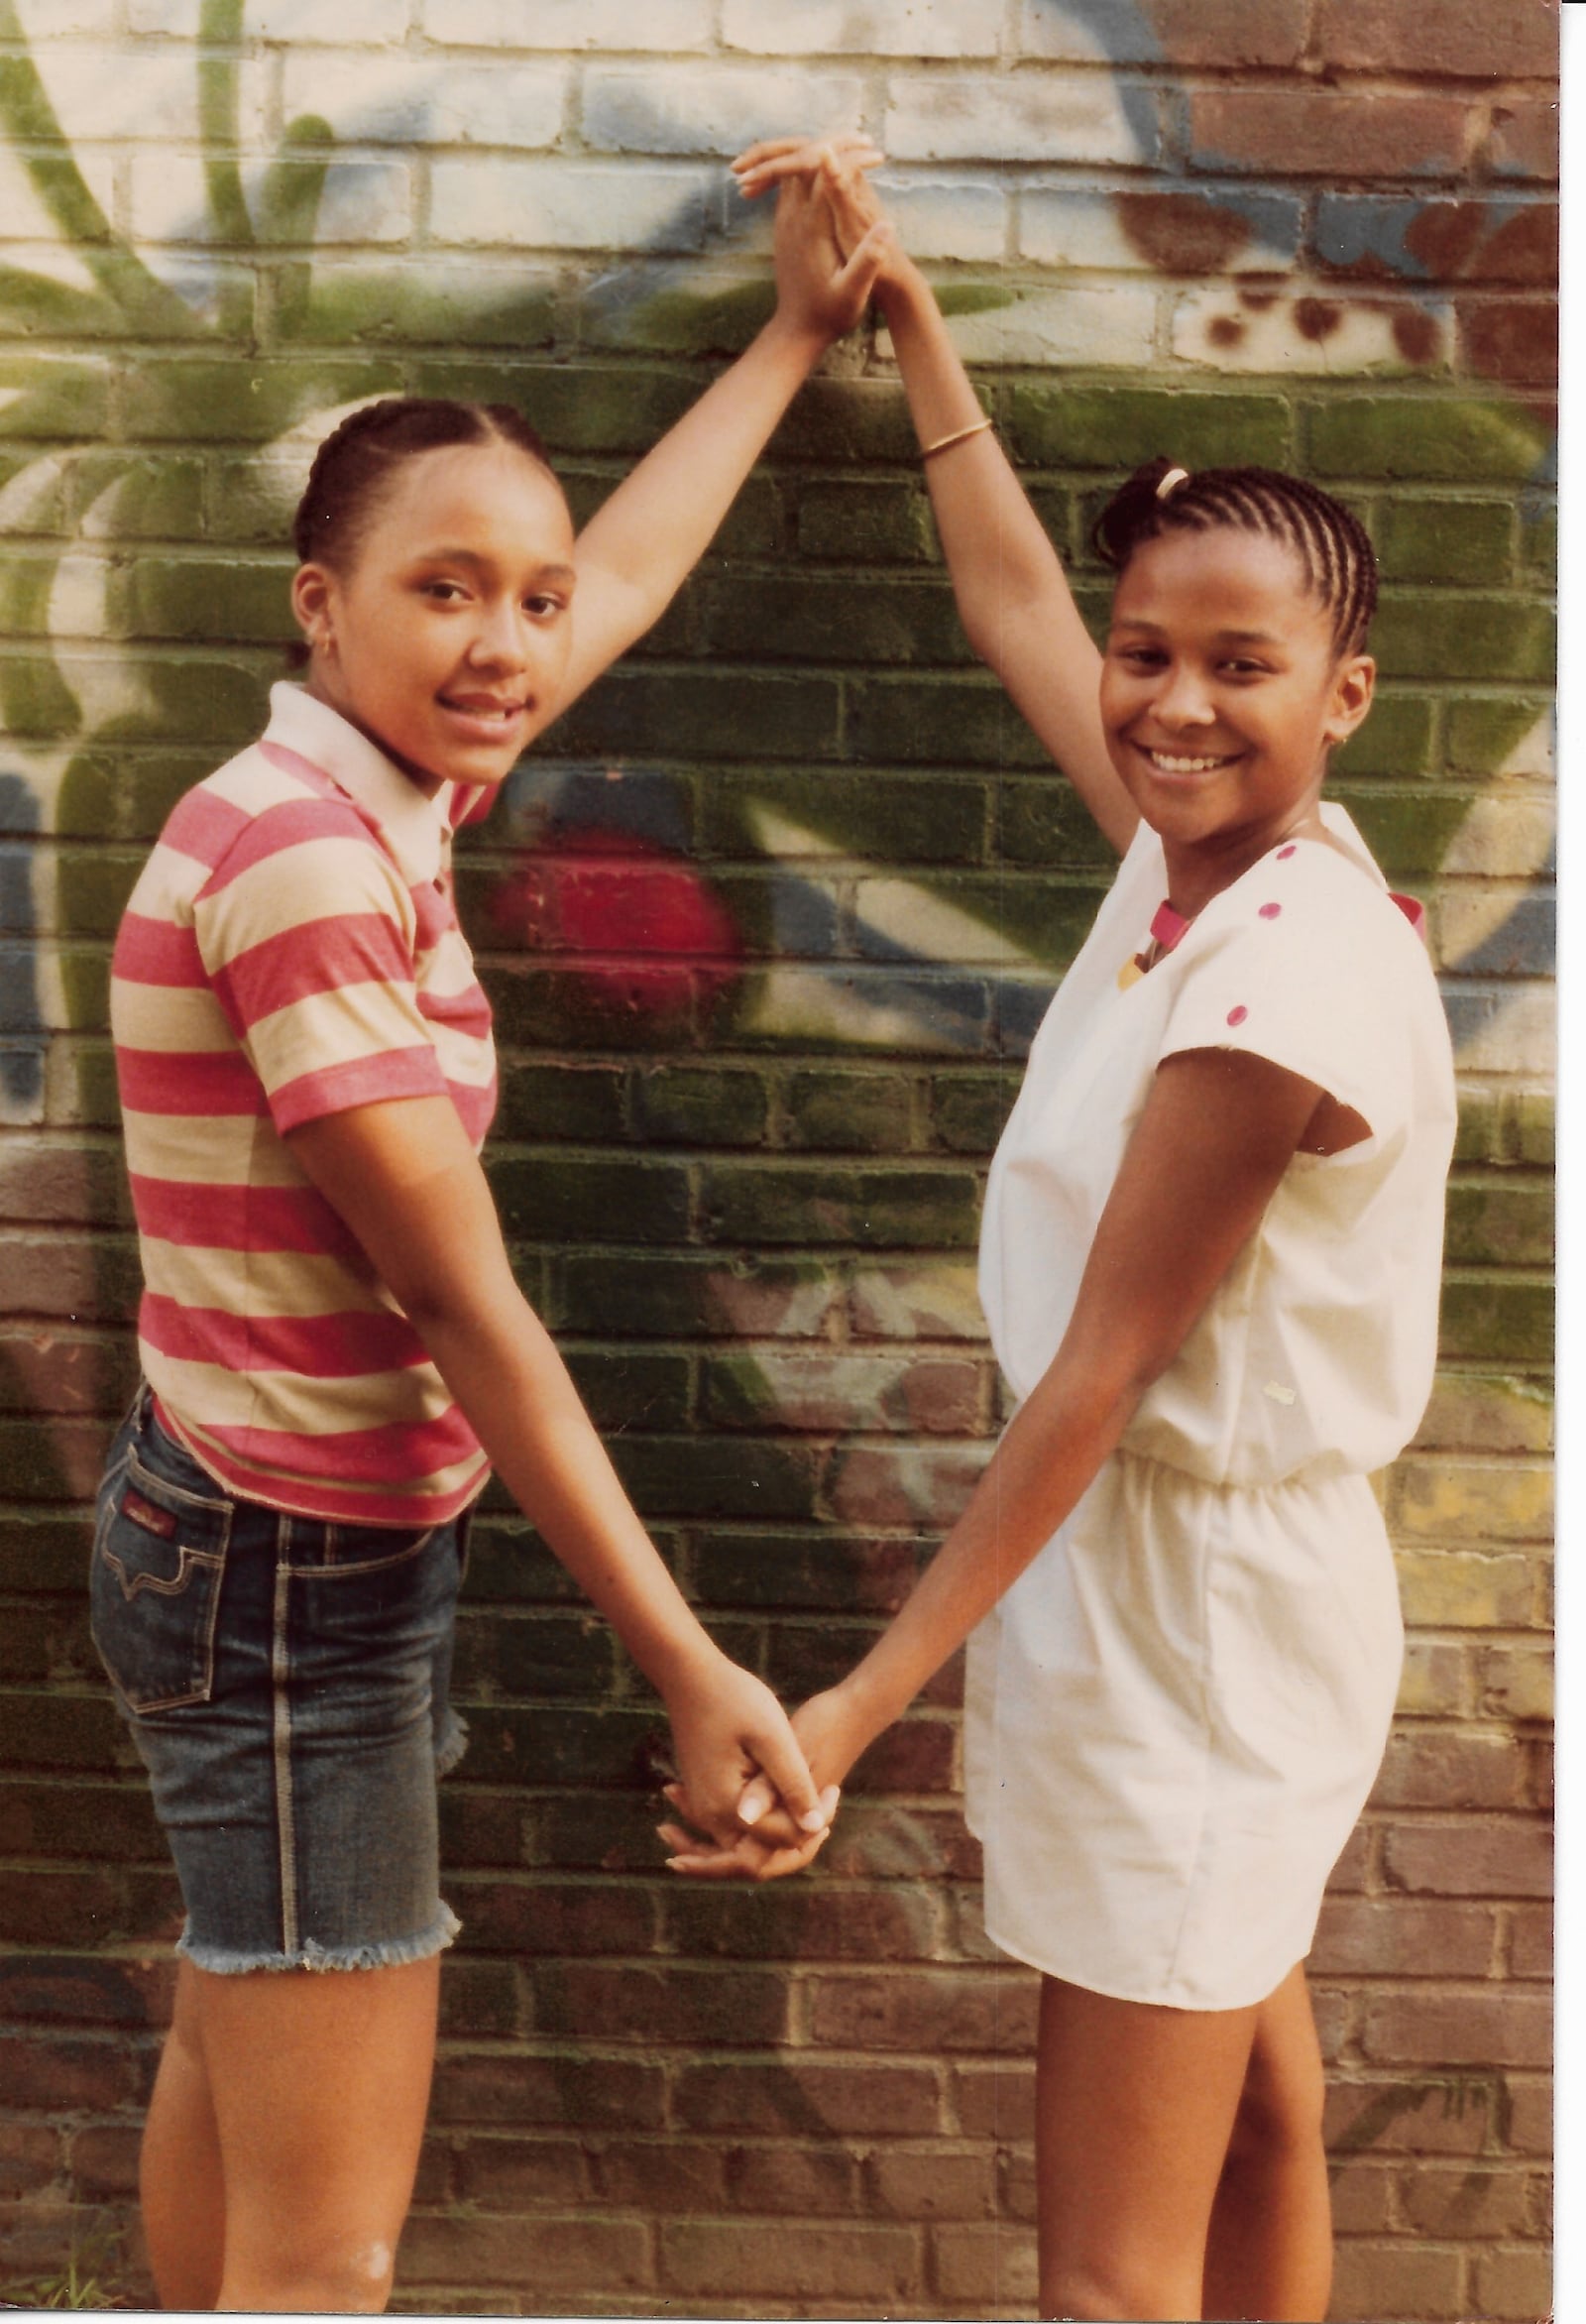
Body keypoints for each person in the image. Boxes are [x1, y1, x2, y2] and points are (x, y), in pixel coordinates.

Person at [660, 145, 1458, 2324]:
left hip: (1185, 1625)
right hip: (1216, 1604)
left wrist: (847, 1708)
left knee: (1107, 2271)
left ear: (1343, 693)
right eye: (1151, 656)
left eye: (1240, 667)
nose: (1169, 702)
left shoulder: (1268, 982)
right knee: (1261, 2110)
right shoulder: (1208, 874)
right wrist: (906, 330)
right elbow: (1022, 605)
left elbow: (1100, 1373)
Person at [91, 152, 890, 2316]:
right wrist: (690, 1659)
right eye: (446, 591)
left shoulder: (364, 785)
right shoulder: (311, 863)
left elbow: (614, 571)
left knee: (241, 2056)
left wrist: (793, 338)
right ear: (315, 603)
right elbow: (458, 1295)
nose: (512, 640)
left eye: (523, 598)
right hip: (290, 1578)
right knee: (327, 2254)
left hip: (265, 1521)